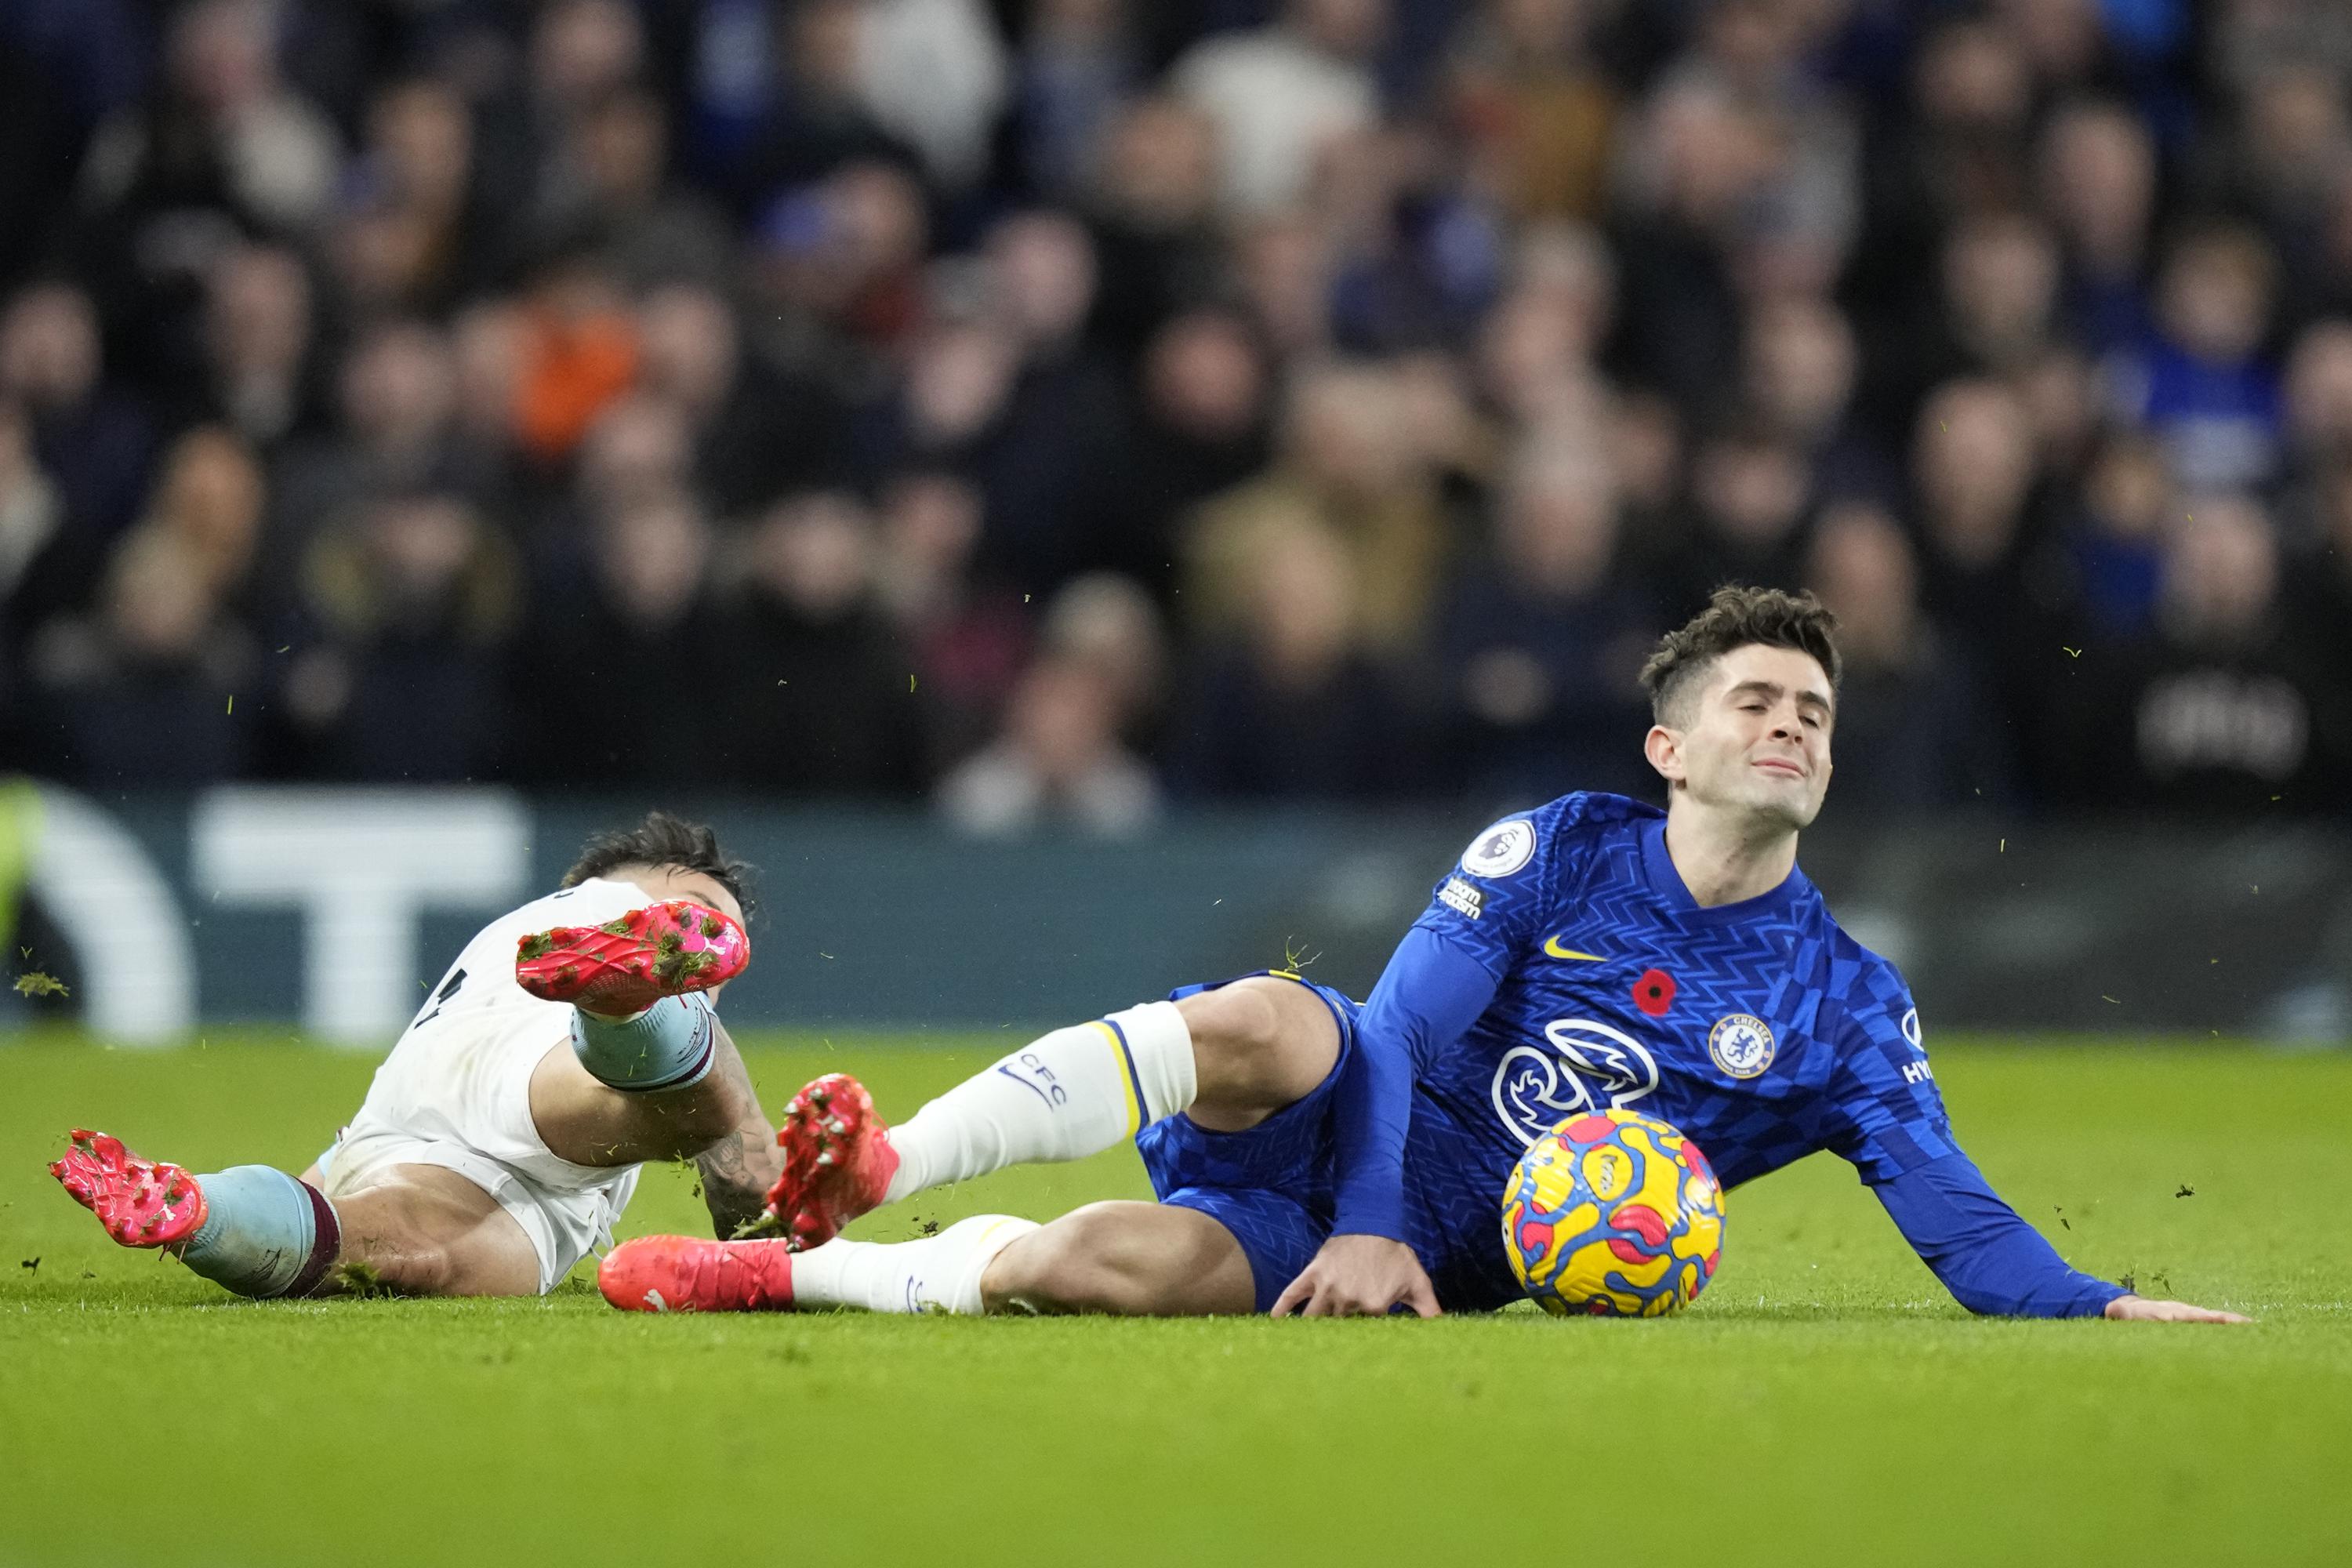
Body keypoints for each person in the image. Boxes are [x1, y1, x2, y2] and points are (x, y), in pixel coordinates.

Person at [601, 589, 2246, 1324]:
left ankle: (774, 1269)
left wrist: (2097, 1304)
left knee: (1078, 1271)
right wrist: (1377, 1221)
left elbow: (1949, 1208)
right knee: (1268, 1015)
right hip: (1351, 1135)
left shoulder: (1842, 1006)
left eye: (1815, 711)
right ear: (1671, 747)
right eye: (1756, 699)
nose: (1792, 724)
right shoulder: (1557, 848)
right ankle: (886, 1161)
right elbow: (1389, 1031)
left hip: (1419, 1262)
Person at [50, 813, 781, 1299]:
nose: (719, 953)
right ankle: (618, 1009)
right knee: (690, 1108)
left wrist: (279, 1209)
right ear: (620, 887)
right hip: (547, 1055)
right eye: (705, 909)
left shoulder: (519, 934)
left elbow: (346, 1162)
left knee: (401, 1249)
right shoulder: (598, 906)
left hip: (414, 1105)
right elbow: (744, 1181)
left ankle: (206, 1212)